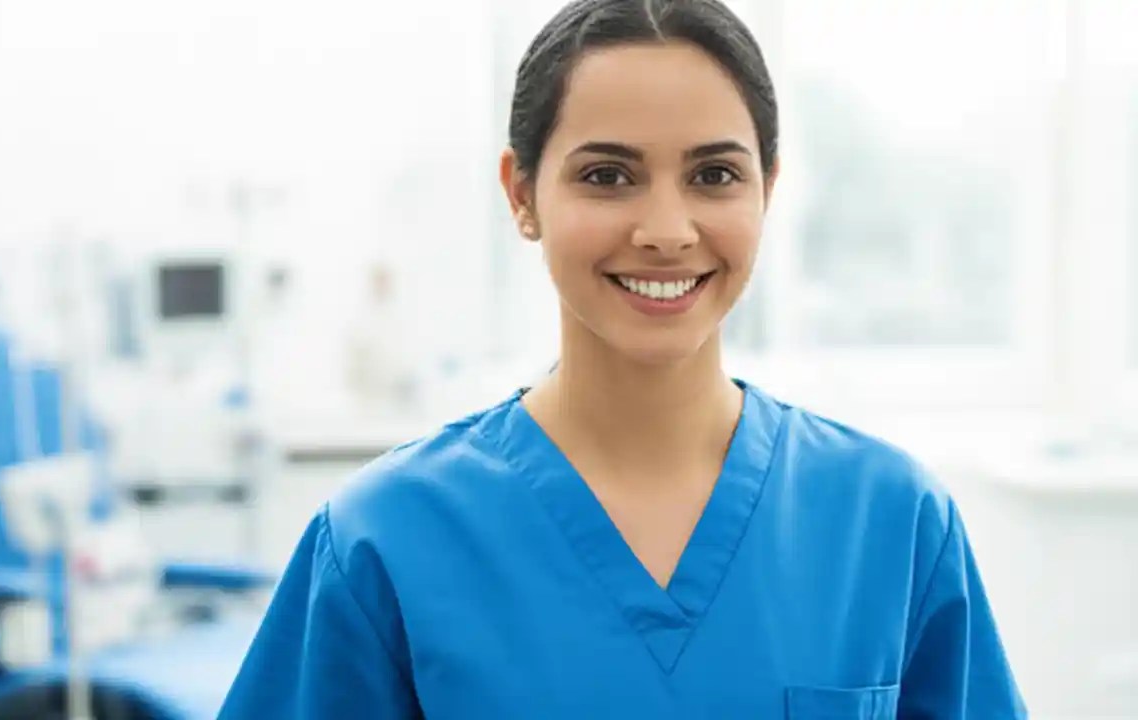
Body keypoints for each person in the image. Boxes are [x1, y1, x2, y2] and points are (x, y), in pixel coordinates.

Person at [218, 0, 1028, 717]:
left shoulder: (888, 521)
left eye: (714, 175)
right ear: (522, 195)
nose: (667, 229)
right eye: (608, 176)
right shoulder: (386, 539)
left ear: (767, 191)